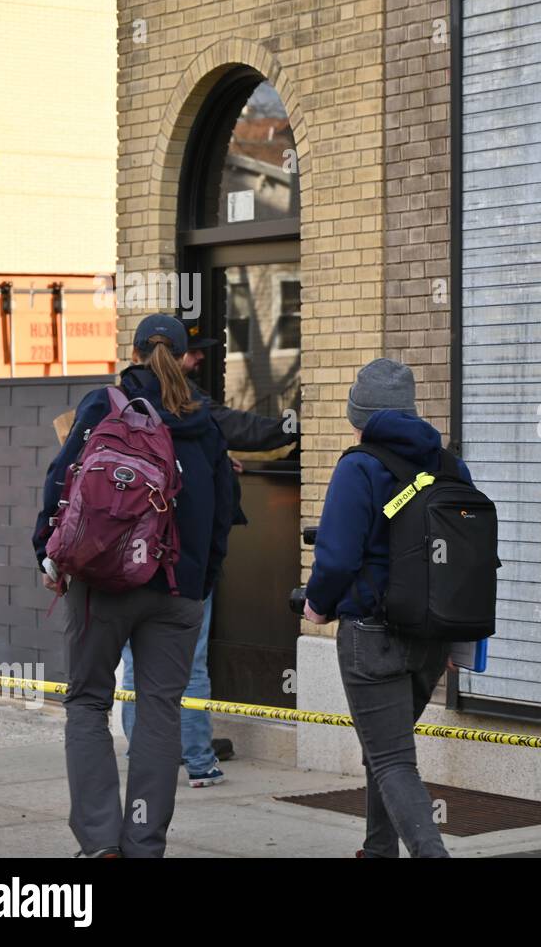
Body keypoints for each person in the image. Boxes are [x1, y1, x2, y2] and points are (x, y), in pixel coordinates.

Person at [34, 314, 235, 857]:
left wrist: (46, 554)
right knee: (161, 710)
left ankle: (102, 844)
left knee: (88, 703)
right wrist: (199, 579)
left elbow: (61, 480)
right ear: (185, 355)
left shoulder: (106, 404)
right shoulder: (205, 421)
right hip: (178, 591)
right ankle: (144, 841)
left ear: (137, 351)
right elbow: (225, 511)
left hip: (102, 583)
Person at [117, 318, 299, 786]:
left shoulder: (109, 406)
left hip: (128, 563)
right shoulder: (194, 412)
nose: (200, 360)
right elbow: (222, 501)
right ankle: (198, 762)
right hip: (183, 565)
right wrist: (288, 426)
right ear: (175, 356)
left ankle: (144, 759)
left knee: (137, 665)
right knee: (188, 663)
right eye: (194, 354)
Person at [302, 358, 471, 858]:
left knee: (392, 757)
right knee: (386, 748)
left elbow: (336, 557)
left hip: (372, 636)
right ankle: (378, 850)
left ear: (361, 416)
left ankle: (430, 852)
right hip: (431, 636)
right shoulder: (449, 465)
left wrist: (316, 605)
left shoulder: (360, 466)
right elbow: (466, 556)